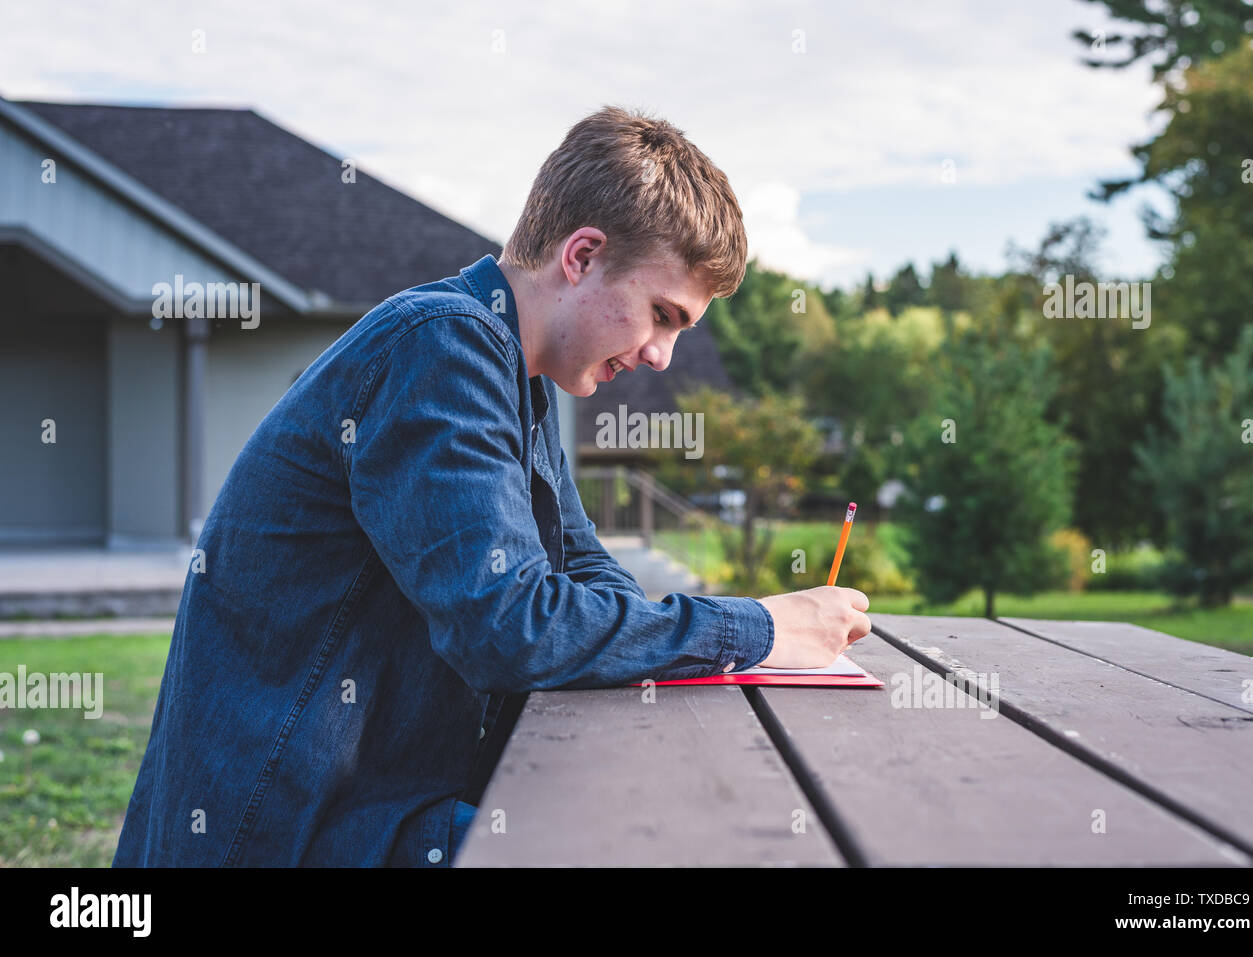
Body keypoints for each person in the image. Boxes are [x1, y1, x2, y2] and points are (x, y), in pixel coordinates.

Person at [112, 105, 871, 868]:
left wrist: (724, 633)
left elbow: (584, 577)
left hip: (377, 807)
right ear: (581, 256)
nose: (662, 356)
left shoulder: (519, 381)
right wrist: (760, 629)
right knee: (672, 841)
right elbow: (511, 627)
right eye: (662, 315)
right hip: (286, 832)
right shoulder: (443, 346)